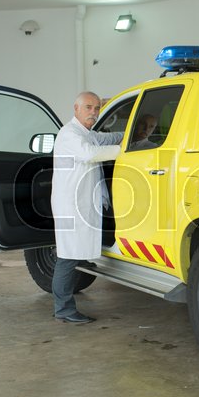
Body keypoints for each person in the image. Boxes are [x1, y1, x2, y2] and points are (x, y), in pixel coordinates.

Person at [51, 91, 124, 323]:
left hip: (81, 205)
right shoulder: (69, 134)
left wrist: (133, 136)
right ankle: (63, 310)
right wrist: (127, 151)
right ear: (76, 109)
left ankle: (64, 307)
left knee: (74, 255)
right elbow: (90, 154)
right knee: (67, 257)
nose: (94, 112)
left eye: (97, 108)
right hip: (70, 208)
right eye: (88, 108)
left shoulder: (87, 134)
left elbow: (108, 139)